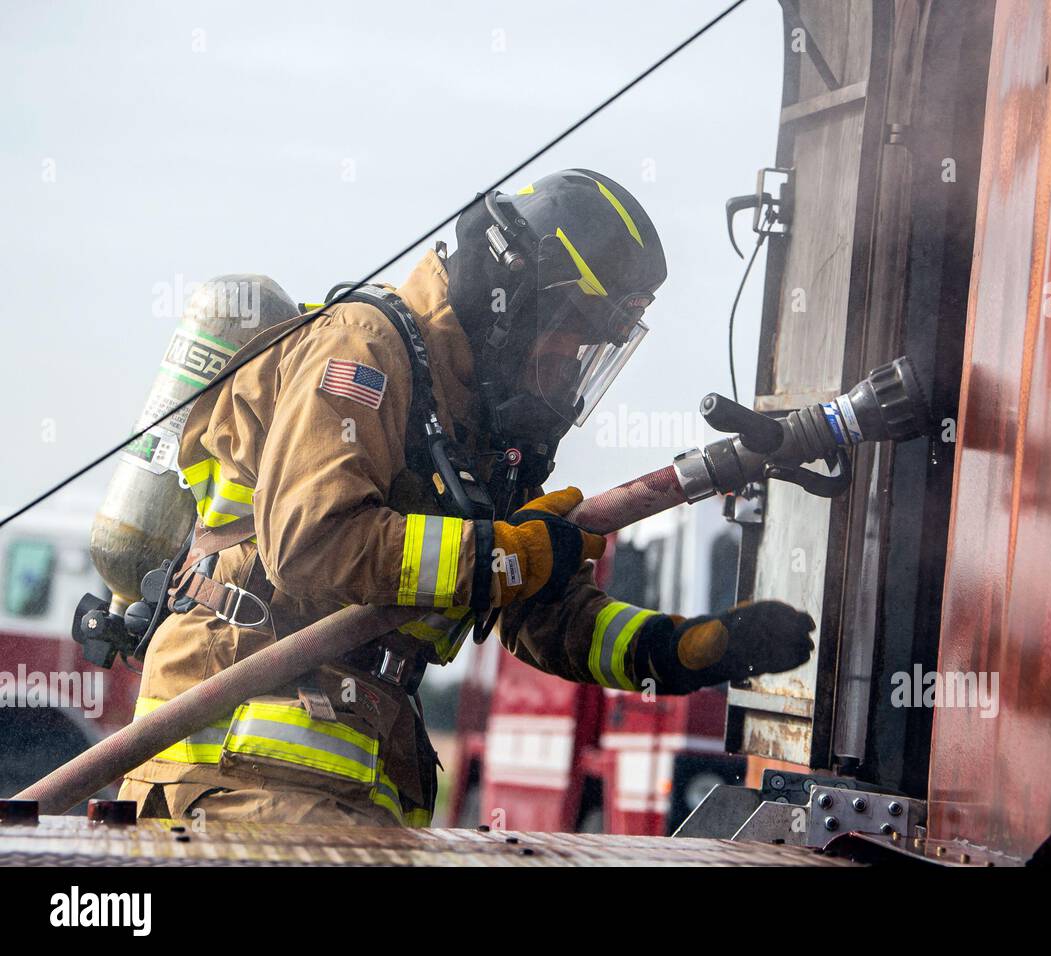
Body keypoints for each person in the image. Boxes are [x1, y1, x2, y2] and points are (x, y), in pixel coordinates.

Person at [120, 169, 815, 826]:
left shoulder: (481, 423)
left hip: (333, 766)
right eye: (572, 337)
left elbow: (532, 602)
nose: (571, 366)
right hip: (236, 761)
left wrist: (675, 650)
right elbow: (313, 542)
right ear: (522, 295)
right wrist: (500, 554)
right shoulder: (365, 349)